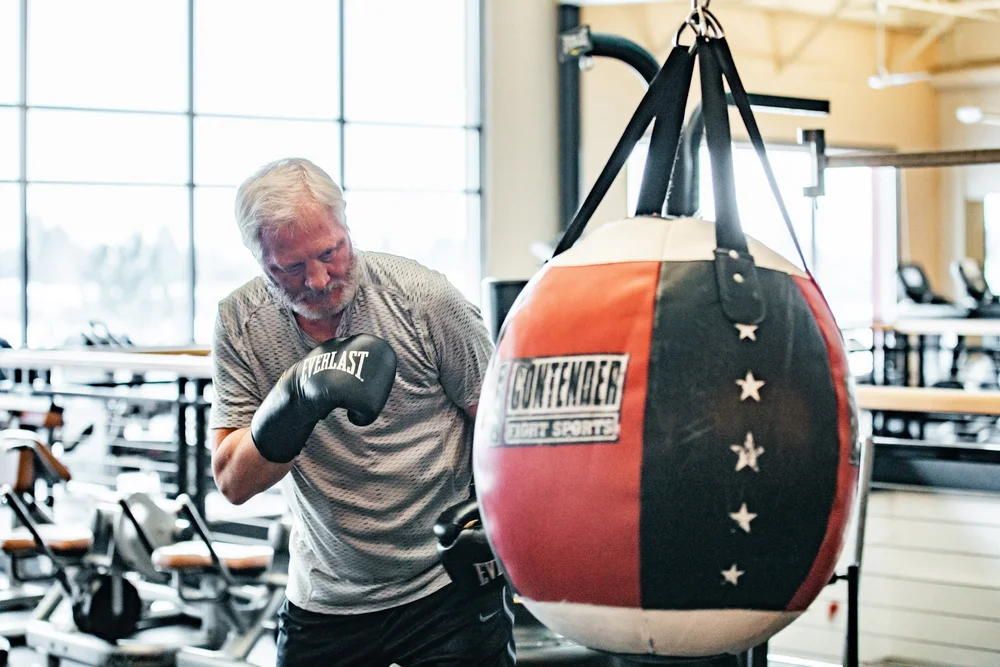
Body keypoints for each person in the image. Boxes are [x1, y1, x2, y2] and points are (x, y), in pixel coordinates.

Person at [209, 157, 514, 666]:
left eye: (331, 251)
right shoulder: (241, 323)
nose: (320, 278)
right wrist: (295, 401)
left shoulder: (424, 300)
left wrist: (500, 520)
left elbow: (502, 428)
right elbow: (233, 483)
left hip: (446, 584)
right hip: (327, 597)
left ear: (346, 225)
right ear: (260, 260)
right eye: (290, 267)